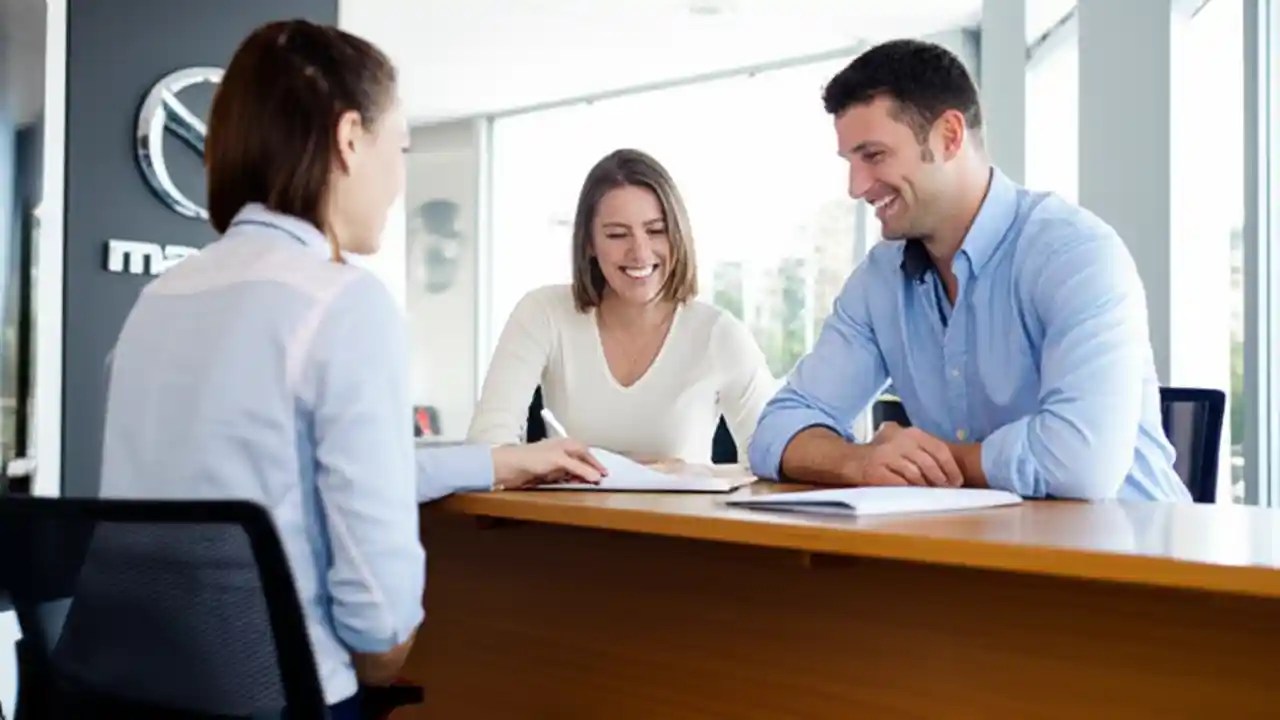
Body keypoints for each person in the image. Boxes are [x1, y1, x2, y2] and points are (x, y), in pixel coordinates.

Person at [96, 20, 605, 716]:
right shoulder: (341, 303)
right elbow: (379, 621)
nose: (399, 179)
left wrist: (496, 464)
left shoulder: (159, 298)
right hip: (281, 697)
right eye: (398, 147)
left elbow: (291, 474)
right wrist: (383, 655)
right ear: (348, 140)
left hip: (124, 693)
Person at [747, 39, 1189, 502]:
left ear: (949, 136)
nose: (856, 187)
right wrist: (859, 462)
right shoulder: (879, 279)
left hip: (1135, 557)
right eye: (850, 162)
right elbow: (777, 429)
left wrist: (929, 461)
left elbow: (1080, 464)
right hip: (985, 553)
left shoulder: (1074, 254)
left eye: (874, 156)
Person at [466, 149, 777, 466]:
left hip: (680, 516)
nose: (640, 253)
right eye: (617, 234)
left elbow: (775, 459)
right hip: (566, 516)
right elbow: (485, 450)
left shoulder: (720, 334)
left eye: (656, 230)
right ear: (589, 242)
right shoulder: (543, 313)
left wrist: (680, 473)